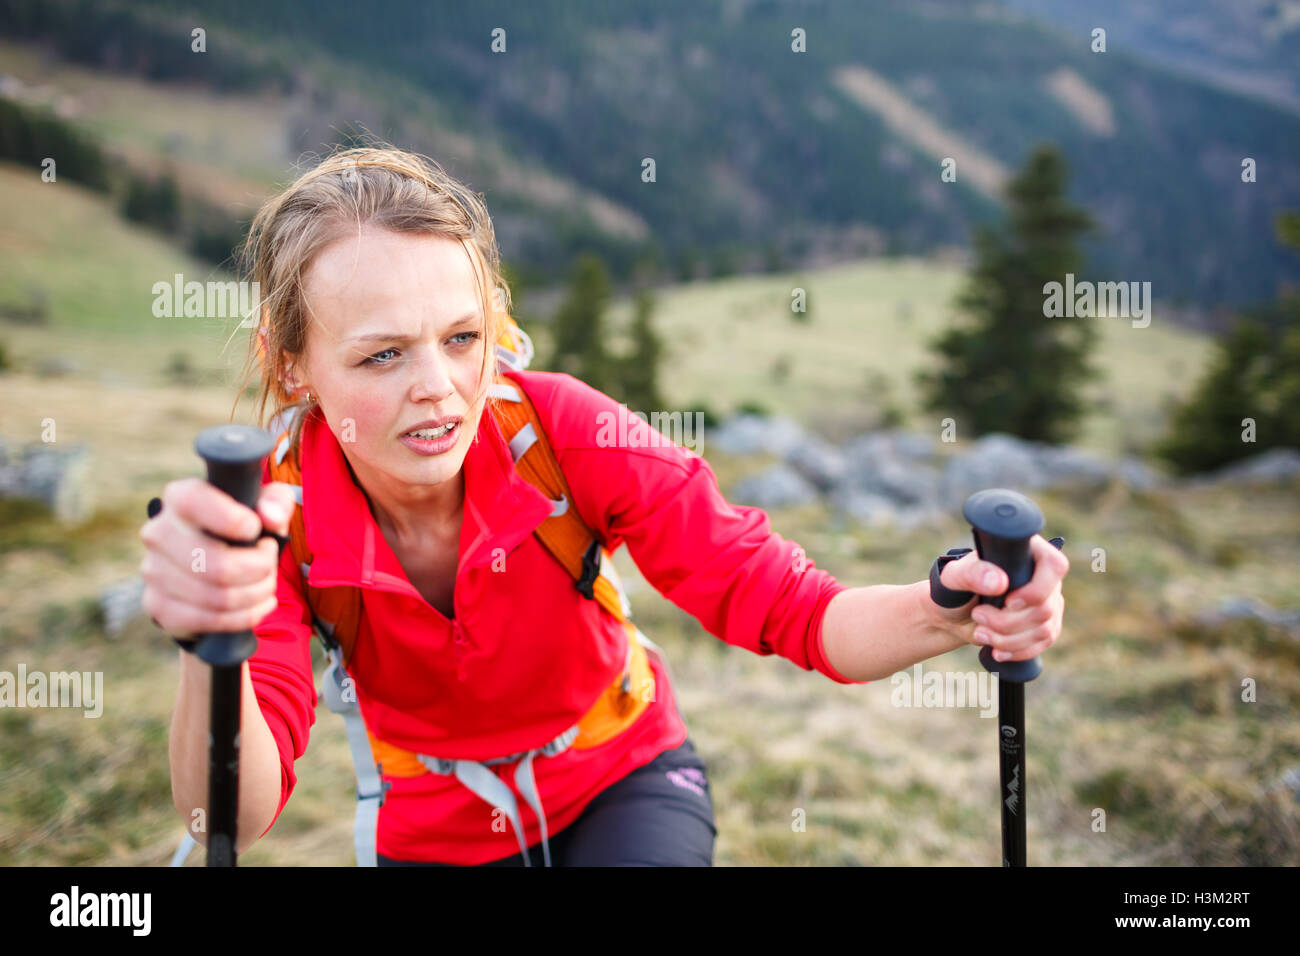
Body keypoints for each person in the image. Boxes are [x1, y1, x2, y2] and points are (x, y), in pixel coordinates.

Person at [139, 145, 1069, 867]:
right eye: (382, 355)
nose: (440, 388)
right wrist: (206, 639)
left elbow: (793, 608)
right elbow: (227, 817)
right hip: (434, 831)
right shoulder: (268, 526)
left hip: (625, 775)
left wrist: (951, 606)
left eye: (463, 338)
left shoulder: (563, 437)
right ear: (287, 363)